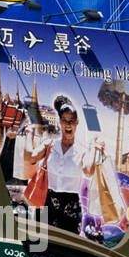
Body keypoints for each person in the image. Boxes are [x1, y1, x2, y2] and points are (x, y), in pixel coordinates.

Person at [42, 95, 85, 232]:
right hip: (48, 199)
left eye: (71, 121)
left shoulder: (82, 150)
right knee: (41, 244)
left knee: (68, 246)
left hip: (70, 203)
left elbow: (89, 171)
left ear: (76, 122)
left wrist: (99, 153)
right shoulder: (50, 145)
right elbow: (30, 158)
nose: (68, 125)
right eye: (65, 120)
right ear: (60, 121)